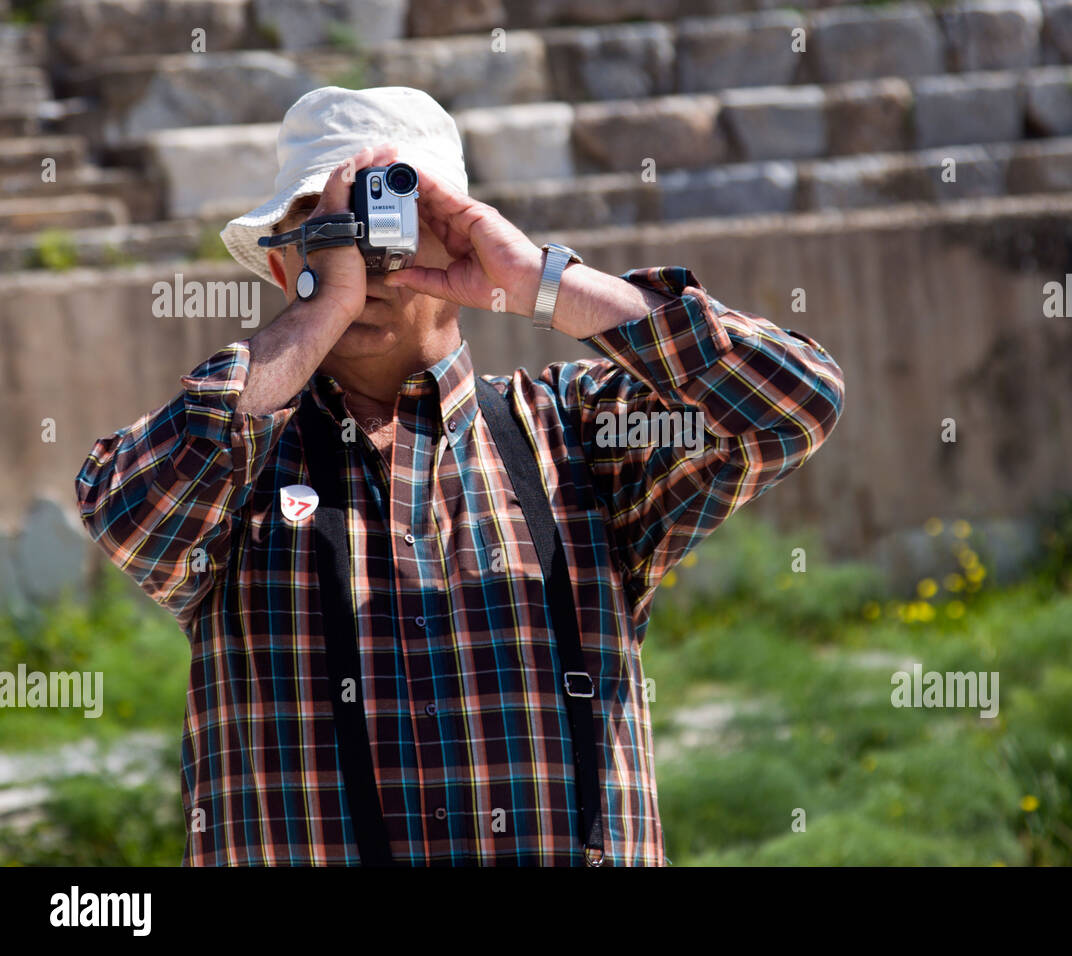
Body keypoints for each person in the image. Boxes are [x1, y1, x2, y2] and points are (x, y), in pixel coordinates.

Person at [75, 86, 844, 866]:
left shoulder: (576, 436)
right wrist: (318, 311)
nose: (368, 261)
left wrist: (542, 282)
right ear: (281, 266)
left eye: (397, 223)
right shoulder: (236, 465)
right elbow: (132, 515)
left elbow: (793, 402)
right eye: (326, 232)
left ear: (460, 233)